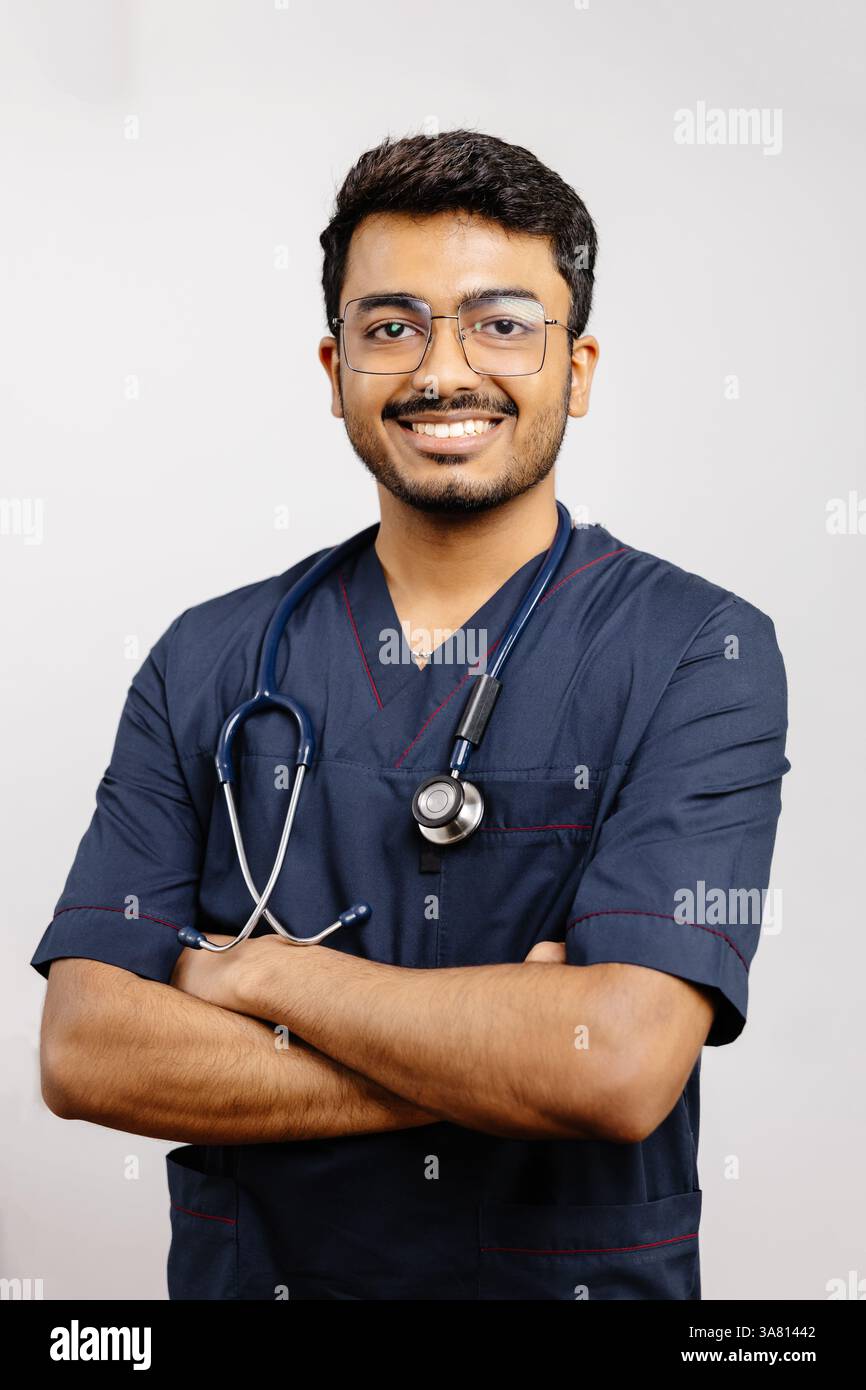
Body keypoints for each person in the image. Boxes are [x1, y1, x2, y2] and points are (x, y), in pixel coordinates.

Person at [32, 129, 789, 1301]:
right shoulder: (208, 658)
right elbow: (85, 1050)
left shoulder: (698, 651)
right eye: (391, 327)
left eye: (501, 323)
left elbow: (621, 1068)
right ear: (334, 366)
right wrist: (514, 1043)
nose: (444, 369)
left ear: (576, 369)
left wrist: (270, 979)